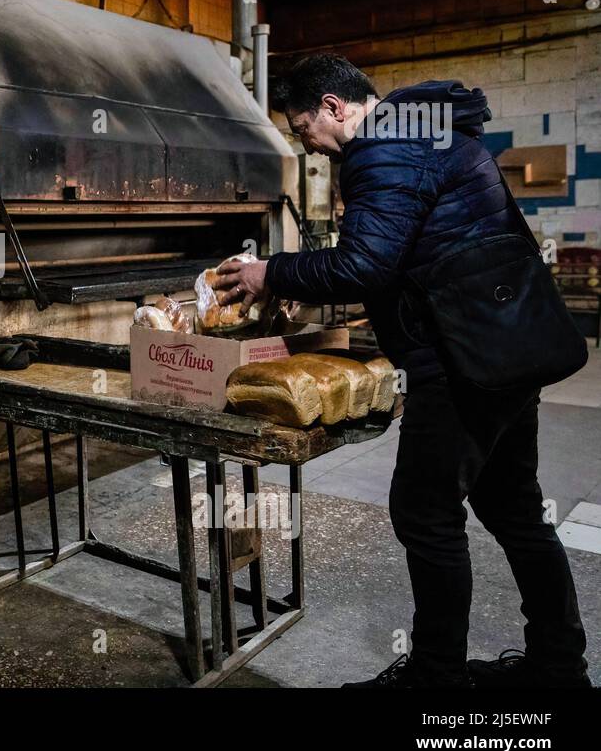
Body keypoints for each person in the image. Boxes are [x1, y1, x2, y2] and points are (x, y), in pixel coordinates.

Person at [213, 54, 590, 688]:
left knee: (425, 512)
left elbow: (365, 264)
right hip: (504, 344)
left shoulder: (382, 146)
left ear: (334, 107)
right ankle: (560, 667)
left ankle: (437, 679)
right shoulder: (422, 130)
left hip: (463, 357)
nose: (309, 145)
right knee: (514, 508)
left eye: (304, 128)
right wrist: (312, 285)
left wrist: (269, 271)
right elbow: (408, 253)